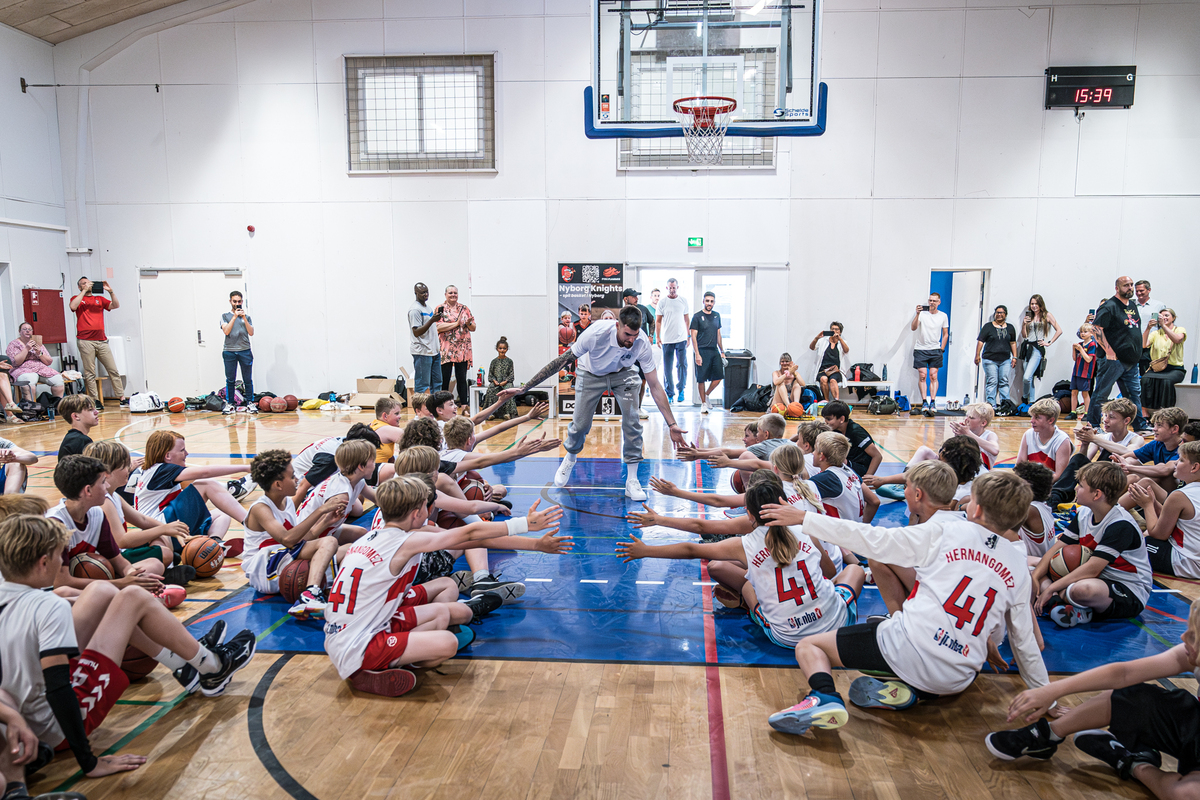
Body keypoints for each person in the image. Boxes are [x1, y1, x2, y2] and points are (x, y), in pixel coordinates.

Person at [760, 471, 1048, 736]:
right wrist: (1046, 695)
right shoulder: (1019, 567)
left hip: (908, 650)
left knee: (809, 646)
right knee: (940, 659)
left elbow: (872, 538)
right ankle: (916, 692)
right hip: (960, 675)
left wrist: (804, 519)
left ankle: (823, 696)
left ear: (977, 509)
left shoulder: (947, 531)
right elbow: (1026, 645)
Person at [0, 514, 257, 783]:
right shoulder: (45, 607)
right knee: (133, 597)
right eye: (58, 556)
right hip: (55, 725)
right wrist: (88, 761)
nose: (61, 562)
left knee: (102, 592)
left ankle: (184, 667)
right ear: (43, 562)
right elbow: (58, 688)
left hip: (15, 721)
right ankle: (211, 666)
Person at [322, 475, 562, 697]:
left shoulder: (371, 536)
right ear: (418, 512)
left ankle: (404, 654)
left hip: (356, 626)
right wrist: (525, 524)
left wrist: (536, 545)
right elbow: (471, 532)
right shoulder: (404, 541)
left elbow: (476, 537)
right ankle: (367, 670)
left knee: (442, 612)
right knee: (447, 643)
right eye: (429, 505)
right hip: (357, 646)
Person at [985, 598, 1200, 800]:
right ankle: (1047, 735)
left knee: (1187, 793)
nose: (1183, 637)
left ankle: (1134, 762)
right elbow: (1123, 673)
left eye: (1193, 635)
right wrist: (1052, 690)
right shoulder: (1190, 654)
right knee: (1131, 696)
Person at [618, 477, 865, 649]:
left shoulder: (743, 543)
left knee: (745, 582)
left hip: (787, 636)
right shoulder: (804, 526)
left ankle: (747, 605)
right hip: (834, 624)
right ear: (785, 500)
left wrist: (645, 550)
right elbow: (830, 572)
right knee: (854, 570)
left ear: (748, 512)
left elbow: (692, 548)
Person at [525, 305, 687, 501]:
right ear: (617, 325)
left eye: (635, 335)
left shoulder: (641, 341)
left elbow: (654, 384)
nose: (631, 340)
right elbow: (561, 361)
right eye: (627, 334)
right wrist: (525, 388)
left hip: (623, 373)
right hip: (591, 373)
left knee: (633, 422)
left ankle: (632, 480)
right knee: (581, 424)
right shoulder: (595, 334)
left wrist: (672, 424)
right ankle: (570, 458)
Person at [1033, 461, 1151, 629]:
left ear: (1097, 494)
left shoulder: (1120, 524)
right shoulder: (1084, 513)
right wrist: (1035, 577)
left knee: (1084, 590)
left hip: (1128, 590)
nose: (1075, 488)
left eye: (1080, 485)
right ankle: (1062, 605)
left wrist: (1050, 588)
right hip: (1097, 577)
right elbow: (1056, 549)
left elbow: (1092, 569)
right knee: (1031, 565)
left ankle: (1061, 603)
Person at [241, 449, 346, 619]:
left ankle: (321, 590)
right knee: (330, 542)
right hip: (262, 567)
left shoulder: (287, 502)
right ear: (278, 485)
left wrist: (326, 521)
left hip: (281, 559)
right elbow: (287, 539)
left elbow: (301, 539)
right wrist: (320, 510)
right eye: (292, 476)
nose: (297, 479)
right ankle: (310, 593)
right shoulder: (261, 508)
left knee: (347, 550)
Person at [83, 441, 196, 588]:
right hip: (106, 562)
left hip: (116, 555)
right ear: (107, 472)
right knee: (162, 555)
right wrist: (164, 529)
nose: (129, 470)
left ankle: (160, 574)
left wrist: (172, 529)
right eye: (124, 466)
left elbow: (142, 519)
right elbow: (122, 541)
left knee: (160, 540)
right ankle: (157, 577)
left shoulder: (114, 496)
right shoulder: (104, 501)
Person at [134, 430, 249, 542]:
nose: (187, 453)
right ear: (167, 455)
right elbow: (205, 473)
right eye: (182, 450)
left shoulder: (152, 471)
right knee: (207, 484)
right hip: (164, 531)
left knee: (222, 513)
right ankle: (251, 524)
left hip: (162, 532)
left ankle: (213, 543)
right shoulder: (162, 470)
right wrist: (245, 468)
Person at [1048, 398, 1143, 507]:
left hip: (1115, 482)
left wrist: (1094, 439)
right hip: (1097, 477)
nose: (1105, 420)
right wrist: (1085, 443)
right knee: (1077, 458)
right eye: (1105, 415)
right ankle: (1056, 497)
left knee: (1113, 455)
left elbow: (1129, 452)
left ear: (1126, 421)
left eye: (1111, 417)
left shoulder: (1135, 439)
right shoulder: (1101, 437)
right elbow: (1083, 462)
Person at [1087, 276, 1147, 431]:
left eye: (1131, 285)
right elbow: (1096, 329)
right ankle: (1093, 424)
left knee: (1134, 395)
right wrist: (1108, 350)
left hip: (1131, 361)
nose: (1130, 288)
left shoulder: (1132, 305)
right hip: (1113, 361)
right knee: (1102, 393)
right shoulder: (1109, 306)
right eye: (1126, 285)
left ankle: (1139, 425)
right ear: (1117, 288)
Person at [1137, 440, 1200, 579]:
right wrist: (1153, 502)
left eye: (1181, 460)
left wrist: (1147, 505)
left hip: (1187, 564)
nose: (1176, 462)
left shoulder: (1180, 496)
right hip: (1195, 558)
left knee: (1133, 542)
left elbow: (1158, 534)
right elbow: (1171, 521)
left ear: (1194, 467)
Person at [69, 276, 125, 407]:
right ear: (79, 287)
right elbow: (73, 306)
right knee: (90, 373)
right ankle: (94, 400)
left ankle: (122, 397)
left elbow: (115, 305)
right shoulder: (76, 298)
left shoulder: (99, 299)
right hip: (85, 341)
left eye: (88, 283)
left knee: (113, 370)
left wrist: (110, 291)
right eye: (83, 283)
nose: (87, 285)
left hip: (101, 340)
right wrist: (83, 291)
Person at [819, 400, 882, 479]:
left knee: (836, 459)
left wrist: (867, 478)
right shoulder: (835, 429)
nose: (826, 422)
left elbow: (877, 456)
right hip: (848, 464)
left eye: (829, 419)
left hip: (860, 467)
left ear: (841, 419)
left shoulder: (856, 432)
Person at [1140, 308, 1187, 413]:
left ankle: (1166, 412)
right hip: (1157, 368)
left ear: (1173, 318)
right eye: (1161, 316)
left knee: (1167, 381)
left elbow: (1177, 339)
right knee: (1145, 379)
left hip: (1175, 369)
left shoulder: (1180, 330)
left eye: (1166, 315)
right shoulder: (1156, 333)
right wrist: (1148, 328)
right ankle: (1146, 413)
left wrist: (1164, 326)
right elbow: (1143, 344)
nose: (1163, 318)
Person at [436, 285, 475, 407]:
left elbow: (473, 328)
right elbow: (437, 327)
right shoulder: (440, 309)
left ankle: (464, 405)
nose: (453, 295)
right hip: (446, 349)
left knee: (461, 378)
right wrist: (456, 324)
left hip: (462, 349)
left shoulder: (464, 308)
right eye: (450, 293)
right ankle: (443, 404)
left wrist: (468, 324)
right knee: (445, 379)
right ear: (445, 294)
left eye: (455, 293)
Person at [1019, 294, 1062, 404]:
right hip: (1027, 347)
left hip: (1037, 348)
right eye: (1032, 304)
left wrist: (1049, 342)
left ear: (1040, 304)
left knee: (1026, 377)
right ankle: (1032, 402)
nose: (1033, 306)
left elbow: (1059, 330)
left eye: (1036, 304)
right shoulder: (1029, 316)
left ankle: (1025, 396)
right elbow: (1024, 335)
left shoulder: (1047, 315)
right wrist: (1024, 324)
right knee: (1030, 377)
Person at [6, 322, 65, 401]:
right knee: (29, 379)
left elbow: (48, 362)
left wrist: (39, 353)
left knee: (58, 379)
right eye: (25, 329)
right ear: (19, 332)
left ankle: (57, 406)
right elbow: (16, 362)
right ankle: (32, 409)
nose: (28, 331)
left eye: (30, 329)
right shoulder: (13, 344)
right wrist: (26, 348)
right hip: (22, 369)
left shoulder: (37, 342)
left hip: (40, 368)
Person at [1015, 398, 1072, 481]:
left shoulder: (1062, 440)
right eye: (1032, 417)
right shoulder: (1028, 434)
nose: (1032, 421)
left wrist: (1036, 485)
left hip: (1050, 487)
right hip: (1031, 484)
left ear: (1050, 420)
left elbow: (1059, 476)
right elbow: (1019, 468)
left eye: (1037, 417)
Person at [910, 293, 948, 414]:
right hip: (921, 349)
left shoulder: (943, 316)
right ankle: (924, 401)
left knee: (933, 375)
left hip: (935, 349)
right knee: (922, 375)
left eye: (934, 301)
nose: (932, 303)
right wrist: (917, 314)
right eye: (930, 300)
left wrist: (942, 348)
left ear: (939, 302)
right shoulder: (922, 314)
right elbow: (913, 327)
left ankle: (933, 401)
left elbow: (945, 333)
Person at [689, 291, 725, 414]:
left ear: (714, 303)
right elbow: (693, 337)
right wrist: (697, 354)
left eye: (711, 301)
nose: (709, 303)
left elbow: (718, 335)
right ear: (703, 301)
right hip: (702, 351)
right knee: (701, 379)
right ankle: (703, 404)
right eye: (707, 301)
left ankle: (706, 395)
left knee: (719, 376)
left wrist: (722, 351)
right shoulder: (697, 316)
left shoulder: (716, 316)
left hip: (714, 350)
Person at [655, 278, 690, 403]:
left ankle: (681, 390)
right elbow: (658, 321)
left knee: (682, 365)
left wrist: (689, 336)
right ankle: (670, 393)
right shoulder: (662, 302)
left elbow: (687, 319)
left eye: (674, 287)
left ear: (677, 287)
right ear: (667, 288)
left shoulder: (683, 301)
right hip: (667, 340)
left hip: (681, 339)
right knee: (667, 368)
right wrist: (658, 337)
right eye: (670, 287)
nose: (672, 290)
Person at [219, 291, 254, 415]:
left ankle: (250, 402)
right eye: (235, 301)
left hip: (245, 351)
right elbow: (227, 331)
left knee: (247, 379)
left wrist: (243, 317)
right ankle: (230, 403)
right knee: (230, 379)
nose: (237, 304)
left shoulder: (247, 317)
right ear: (230, 301)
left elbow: (251, 332)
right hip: (229, 351)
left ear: (242, 302)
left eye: (239, 301)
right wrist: (234, 316)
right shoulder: (225, 316)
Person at [975, 305, 1017, 407]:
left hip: (1005, 360)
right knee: (992, 382)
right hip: (989, 359)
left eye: (1001, 313)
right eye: (997, 312)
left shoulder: (1010, 328)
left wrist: (1014, 357)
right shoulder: (988, 326)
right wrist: (977, 355)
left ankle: (1005, 405)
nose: (999, 315)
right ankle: (991, 405)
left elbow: (1013, 343)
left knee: (1004, 381)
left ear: (1005, 314)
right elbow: (981, 341)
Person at [622, 289, 654, 418]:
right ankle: (626, 409)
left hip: (641, 350)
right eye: (633, 297)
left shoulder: (643, 309)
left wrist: (651, 335)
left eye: (637, 296)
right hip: (626, 351)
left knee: (642, 380)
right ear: (626, 299)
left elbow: (652, 321)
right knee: (627, 380)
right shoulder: (621, 313)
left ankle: (638, 407)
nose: (636, 298)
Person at [408, 282, 443, 395]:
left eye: (427, 292)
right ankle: (419, 410)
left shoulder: (427, 307)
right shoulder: (415, 310)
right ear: (416, 293)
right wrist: (432, 320)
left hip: (433, 351)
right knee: (422, 384)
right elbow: (417, 332)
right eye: (422, 293)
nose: (426, 294)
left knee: (437, 383)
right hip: (422, 351)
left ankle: (437, 409)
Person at [1134, 278, 1167, 376]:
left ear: (1149, 290)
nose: (1139, 293)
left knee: (1146, 372)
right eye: (1137, 291)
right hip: (1134, 342)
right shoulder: (1131, 305)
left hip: (1149, 343)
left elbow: (1164, 325)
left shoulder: (1159, 305)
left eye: (1141, 291)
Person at [483, 336, 519, 419]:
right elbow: (490, 375)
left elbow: (511, 375)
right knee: (491, 389)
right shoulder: (494, 362)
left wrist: (505, 381)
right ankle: (491, 413)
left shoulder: (509, 361)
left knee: (509, 389)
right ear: (497, 349)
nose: (502, 350)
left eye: (504, 348)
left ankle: (508, 413)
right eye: (500, 348)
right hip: (496, 383)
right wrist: (494, 381)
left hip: (506, 383)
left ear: (507, 349)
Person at [810, 323, 848, 402]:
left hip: (835, 370)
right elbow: (812, 347)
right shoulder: (823, 341)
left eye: (836, 329)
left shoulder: (842, 342)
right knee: (823, 379)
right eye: (832, 329)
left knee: (833, 380)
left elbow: (846, 350)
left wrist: (839, 339)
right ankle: (826, 401)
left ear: (840, 332)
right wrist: (816, 338)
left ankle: (836, 401)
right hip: (823, 370)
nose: (834, 331)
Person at [1070, 324, 1097, 419]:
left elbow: (1088, 359)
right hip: (1076, 371)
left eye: (1085, 332)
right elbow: (1074, 358)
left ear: (1091, 333)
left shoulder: (1092, 344)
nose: (1083, 334)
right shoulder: (1080, 344)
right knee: (1074, 392)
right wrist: (1073, 349)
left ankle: (1087, 413)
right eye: (1081, 332)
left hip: (1085, 373)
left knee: (1085, 393)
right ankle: (1073, 412)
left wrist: (1080, 349)